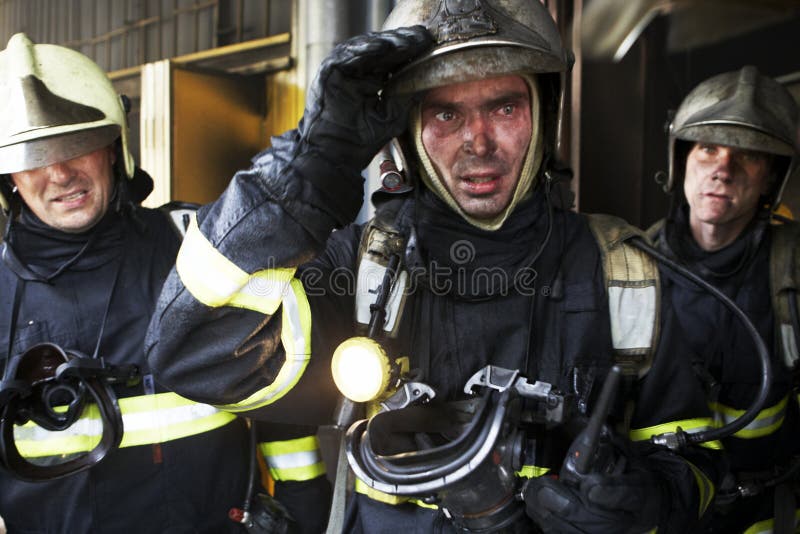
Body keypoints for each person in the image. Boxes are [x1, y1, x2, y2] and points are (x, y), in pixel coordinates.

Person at [146, 0, 726, 532]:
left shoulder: (623, 273)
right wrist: (307, 170)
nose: (478, 142)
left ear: (543, 114)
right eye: (446, 114)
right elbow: (193, 353)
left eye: (504, 106)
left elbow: (698, 461)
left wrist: (651, 496)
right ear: (407, 134)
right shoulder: (361, 270)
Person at [0, 33, 330, 533]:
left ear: (113, 148)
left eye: (77, 146)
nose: (61, 173)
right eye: (34, 158)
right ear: (9, 179)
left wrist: (304, 504)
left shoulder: (197, 247)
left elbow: (274, 385)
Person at [648, 66, 800, 533]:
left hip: (763, 516)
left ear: (770, 178)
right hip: (665, 512)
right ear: (681, 159)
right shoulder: (631, 269)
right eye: (708, 148)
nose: (723, 169)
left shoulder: (792, 271)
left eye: (747, 155)